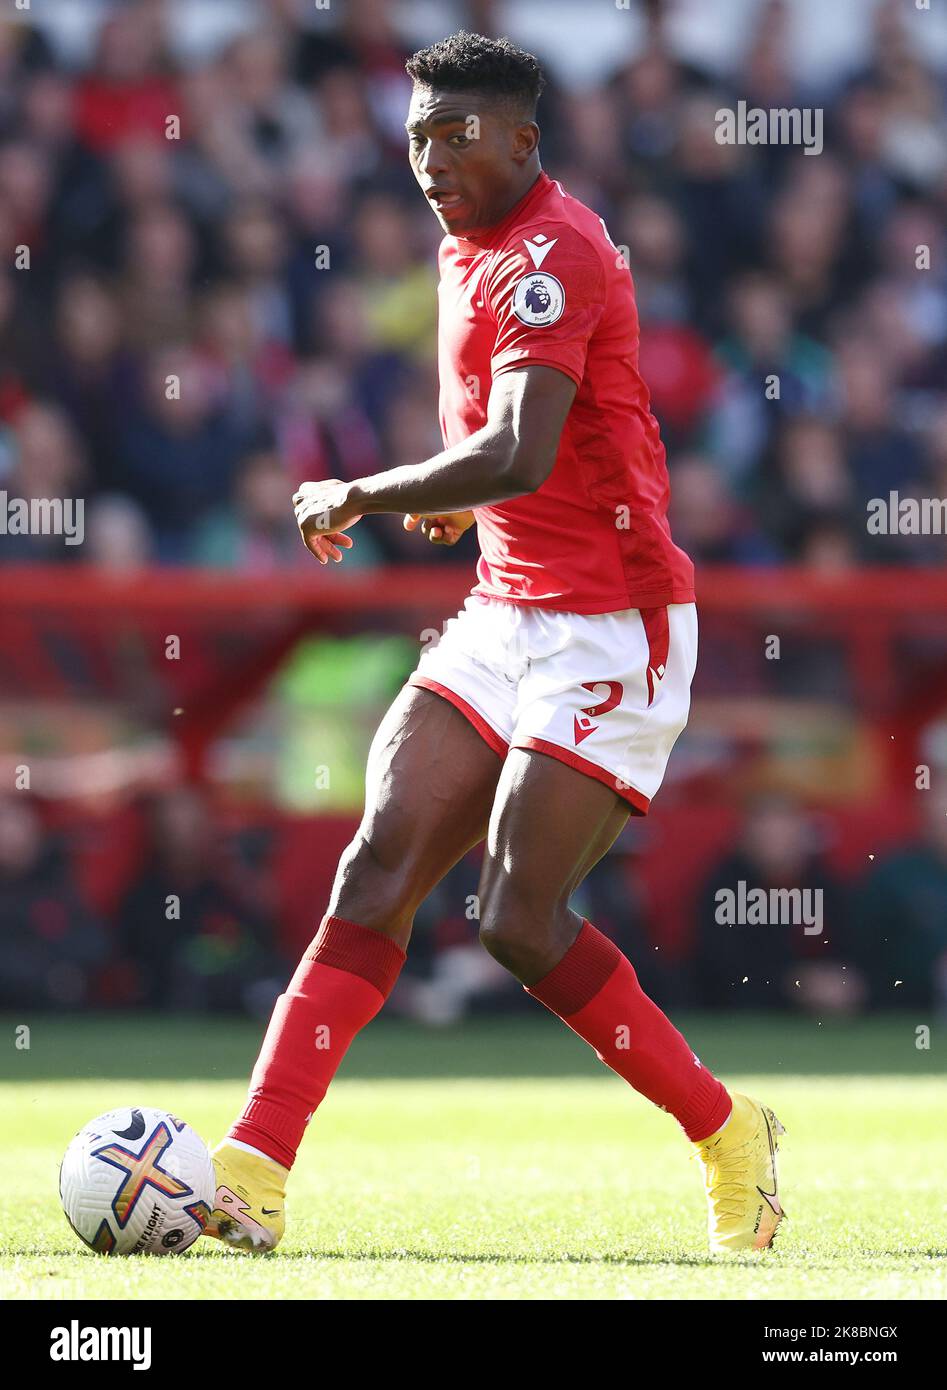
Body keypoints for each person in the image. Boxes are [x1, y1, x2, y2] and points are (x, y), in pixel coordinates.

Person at [206, 32, 785, 1258]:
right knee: (375, 867)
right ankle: (251, 1170)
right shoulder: (462, 238)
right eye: (418, 133)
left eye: (456, 131)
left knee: (516, 918)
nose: (430, 155)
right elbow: (528, 458)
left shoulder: (554, 253)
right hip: (504, 606)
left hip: (610, 626)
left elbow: (521, 447)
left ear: (524, 138)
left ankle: (727, 1132)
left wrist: (362, 491)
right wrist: (466, 500)